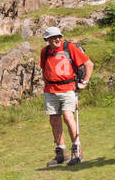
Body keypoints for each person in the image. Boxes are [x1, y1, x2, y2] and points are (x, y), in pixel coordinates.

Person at [39, 26, 93, 165]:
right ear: (47, 40)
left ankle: (77, 149)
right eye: (53, 38)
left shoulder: (69, 48)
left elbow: (88, 63)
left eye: (59, 37)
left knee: (68, 116)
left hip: (68, 88)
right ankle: (61, 152)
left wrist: (84, 82)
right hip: (50, 90)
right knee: (54, 120)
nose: (57, 39)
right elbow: (44, 69)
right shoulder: (44, 52)